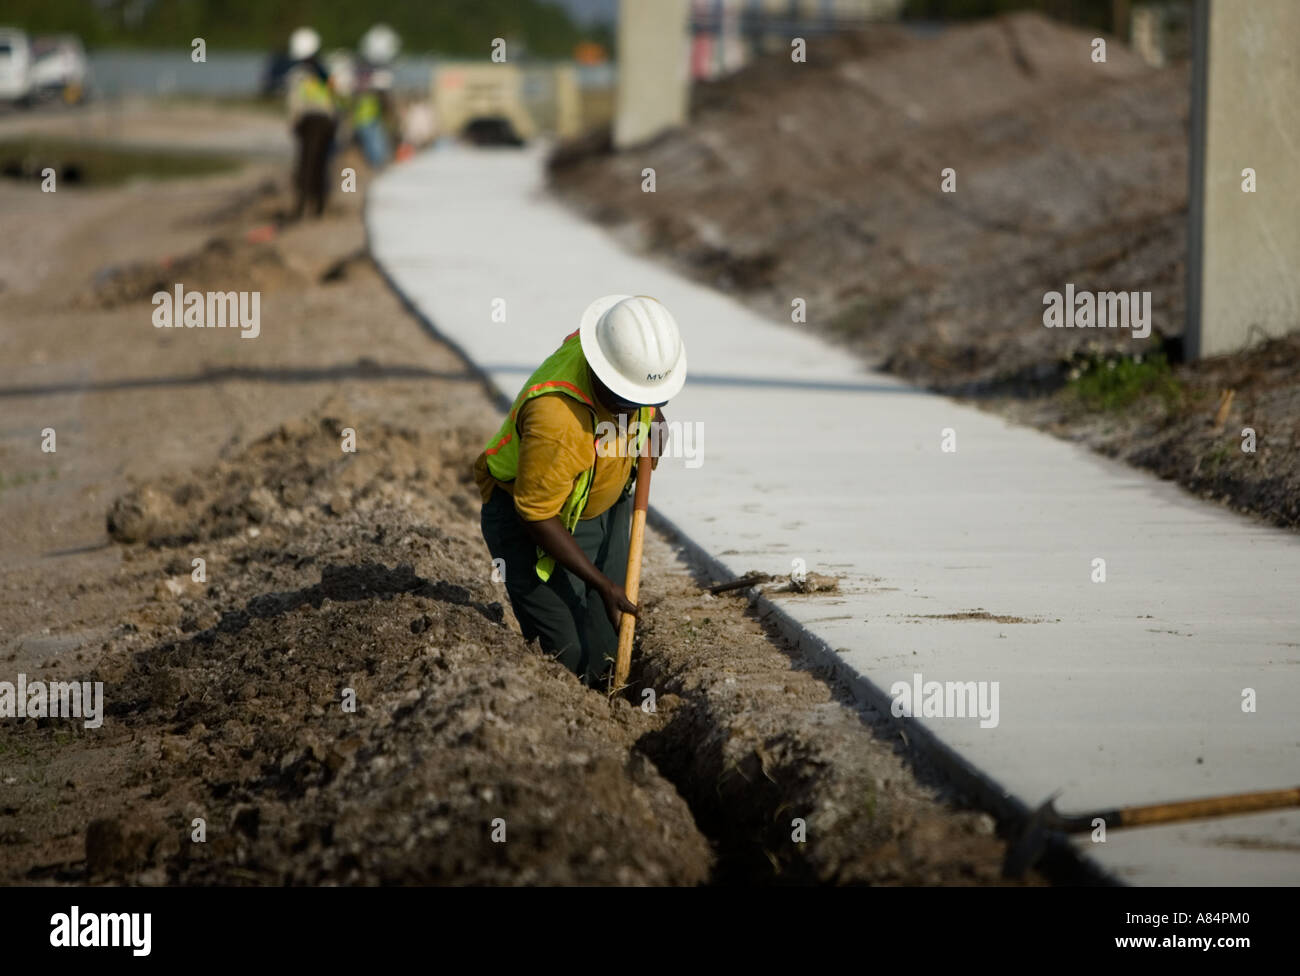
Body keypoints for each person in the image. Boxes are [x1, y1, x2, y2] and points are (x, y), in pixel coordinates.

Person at [474, 296, 687, 687]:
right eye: (631, 402)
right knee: (567, 658)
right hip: (536, 522)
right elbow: (536, 513)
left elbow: (645, 399)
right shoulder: (557, 421)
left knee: (608, 643)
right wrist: (602, 584)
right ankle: (580, 714)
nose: (636, 412)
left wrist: (655, 419)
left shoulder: (619, 347)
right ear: (603, 376)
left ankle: (610, 692)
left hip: (603, 499)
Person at [284, 27, 337, 220]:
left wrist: (293, 122)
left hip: (308, 122)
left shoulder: (297, 74)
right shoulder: (325, 72)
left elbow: (294, 101)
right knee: (321, 164)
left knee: (306, 164)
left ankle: (301, 206)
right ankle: (319, 206)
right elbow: (334, 97)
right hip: (326, 122)